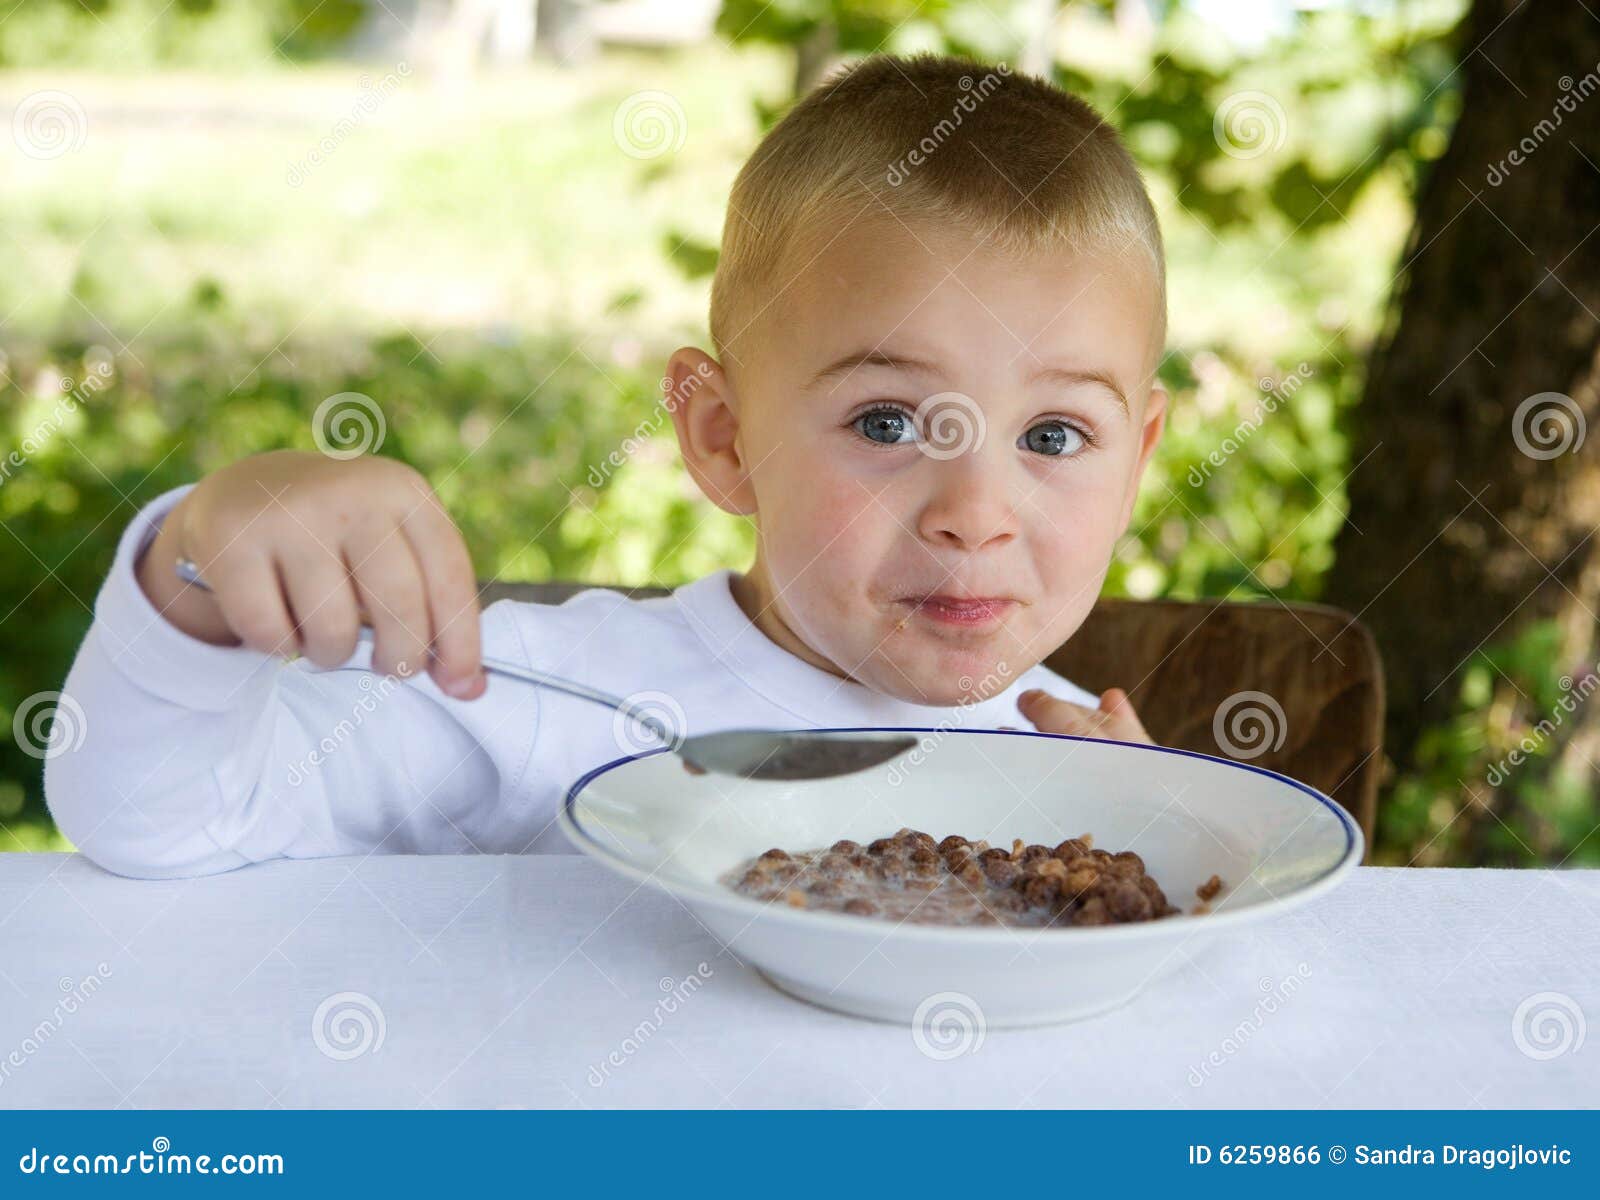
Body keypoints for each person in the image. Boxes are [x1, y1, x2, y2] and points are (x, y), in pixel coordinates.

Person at [46, 53, 1165, 879]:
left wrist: (1159, 845)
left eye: (1053, 437)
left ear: (1138, 461)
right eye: (885, 423)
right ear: (724, 440)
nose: (975, 515)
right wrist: (199, 564)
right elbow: (160, 822)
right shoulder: (546, 705)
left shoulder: (1083, 769)